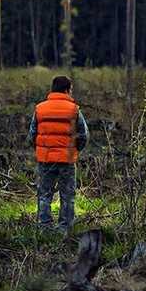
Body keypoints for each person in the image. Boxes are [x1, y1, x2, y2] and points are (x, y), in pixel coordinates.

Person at [29, 76, 89, 232]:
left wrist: (41, 150)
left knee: (44, 194)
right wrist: (75, 150)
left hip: (45, 159)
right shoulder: (74, 109)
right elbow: (84, 135)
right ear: (67, 89)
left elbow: (32, 134)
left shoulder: (40, 108)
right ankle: (64, 228)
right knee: (67, 195)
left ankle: (44, 227)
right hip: (67, 159)